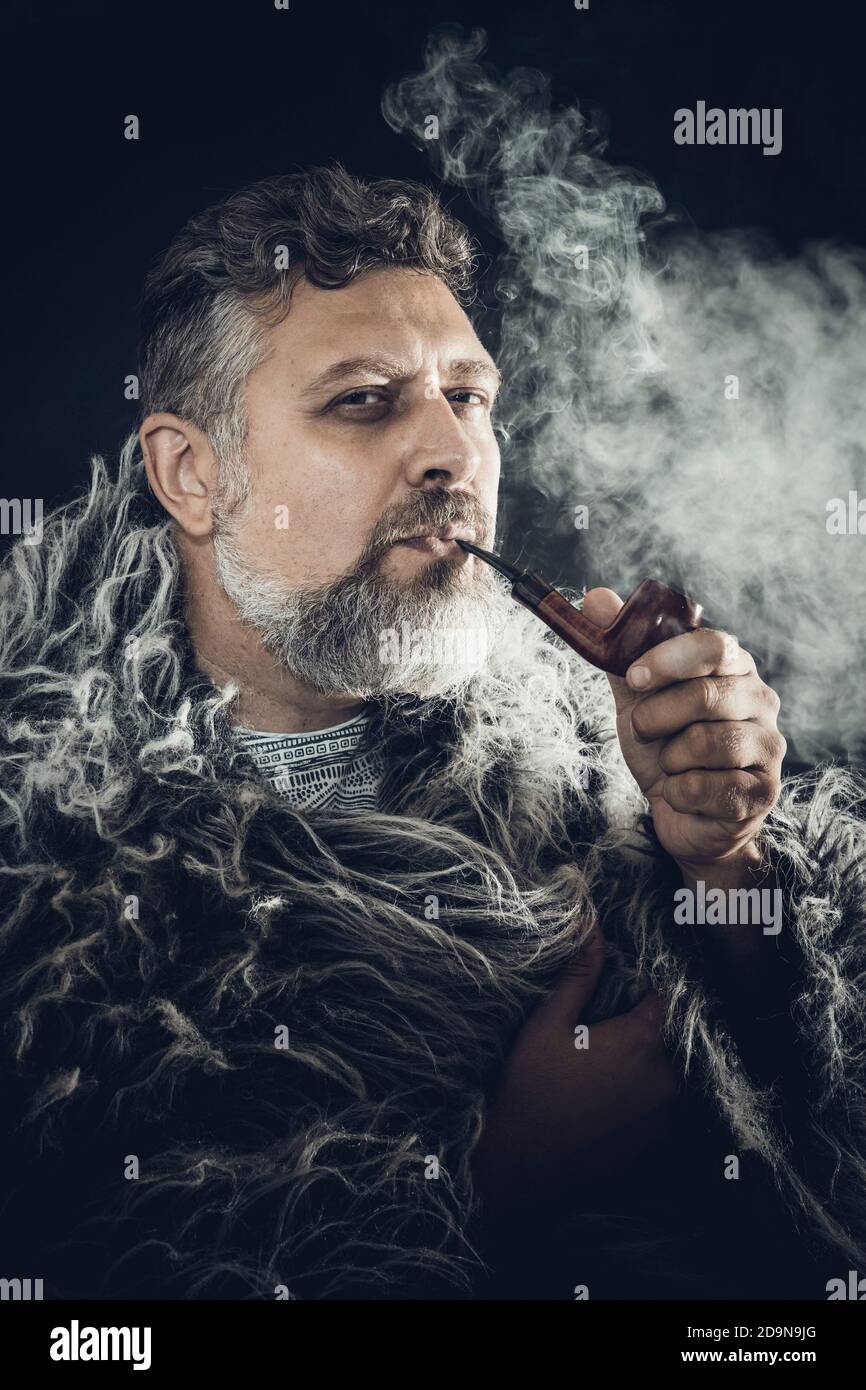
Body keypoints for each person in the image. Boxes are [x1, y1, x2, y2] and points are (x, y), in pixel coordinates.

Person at [1, 163, 864, 1300]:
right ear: (192, 473)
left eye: (467, 396)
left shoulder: (590, 763)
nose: (452, 452)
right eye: (364, 399)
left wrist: (722, 852)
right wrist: (482, 1186)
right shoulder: (45, 876)